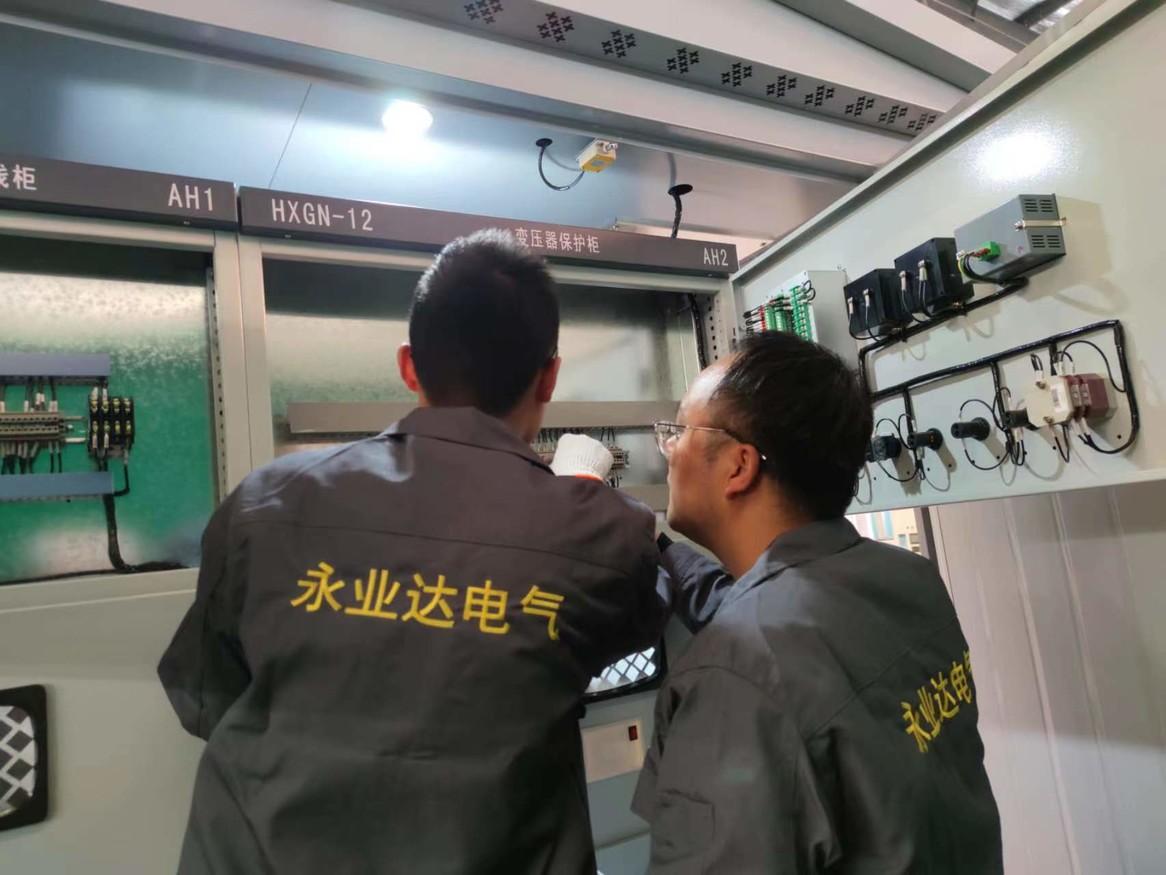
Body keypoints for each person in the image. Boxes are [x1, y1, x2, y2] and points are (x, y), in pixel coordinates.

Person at [159, 229, 666, 875]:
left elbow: (202, 694)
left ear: (408, 365)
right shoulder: (603, 531)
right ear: (549, 378)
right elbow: (632, 634)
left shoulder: (264, 501)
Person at [634, 331, 1002, 873]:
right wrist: (658, 548)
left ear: (738, 466)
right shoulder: (906, 578)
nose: (667, 451)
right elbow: (770, 625)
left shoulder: (733, 676)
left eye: (680, 431)